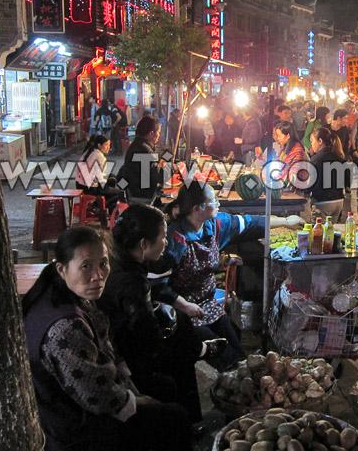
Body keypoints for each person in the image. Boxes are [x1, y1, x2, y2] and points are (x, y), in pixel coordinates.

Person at [22, 226, 192, 451]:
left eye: (103, 263)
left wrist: (131, 386)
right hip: (75, 429)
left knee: (164, 388)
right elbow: (98, 397)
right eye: (86, 266)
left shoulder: (62, 293)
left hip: (85, 399)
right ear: (62, 269)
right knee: (175, 417)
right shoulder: (65, 327)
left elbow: (107, 347)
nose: (98, 275)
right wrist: (136, 400)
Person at [100, 205, 227, 426]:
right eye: (163, 237)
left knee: (182, 322)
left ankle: (199, 350)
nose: (166, 242)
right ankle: (189, 420)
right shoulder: (131, 282)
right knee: (183, 349)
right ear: (143, 244)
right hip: (128, 356)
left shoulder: (119, 259)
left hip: (124, 339)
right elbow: (147, 339)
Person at [157, 184, 303, 369]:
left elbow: (249, 222)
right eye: (213, 200)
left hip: (209, 305)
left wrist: (286, 221)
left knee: (238, 354)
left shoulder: (215, 225)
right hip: (183, 312)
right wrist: (184, 305)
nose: (218, 203)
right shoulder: (175, 239)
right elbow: (158, 285)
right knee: (223, 357)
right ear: (197, 208)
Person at [119, 116, 164, 203]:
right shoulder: (144, 149)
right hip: (143, 195)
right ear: (151, 133)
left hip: (135, 190)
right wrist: (171, 168)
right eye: (158, 132)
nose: (159, 135)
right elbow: (158, 177)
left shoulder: (136, 144)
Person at [307, 127, 348, 220]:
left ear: (320, 141)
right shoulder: (339, 157)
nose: (311, 144)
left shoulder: (316, 159)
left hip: (322, 202)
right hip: (339, 201)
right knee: (332, 227)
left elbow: (309, 184)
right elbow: (347, 181)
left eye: (312, 141)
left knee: (319, 228)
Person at [75, 135, 125, 211]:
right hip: (91, 189)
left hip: (80, 186)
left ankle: (101, 205)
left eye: (109, 145)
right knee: (120, 193)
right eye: (106, 145)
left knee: (112, 177)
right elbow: (101, 180)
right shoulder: (99, 156)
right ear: (99, 145)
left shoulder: (88, 152)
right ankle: (100, 207)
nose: (108, 147)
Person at [274, 120, 307, 187]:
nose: (277, 138)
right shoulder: (285, 148)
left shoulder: (297, 151)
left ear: (288, 136)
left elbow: (294, 174)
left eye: (279, 136)